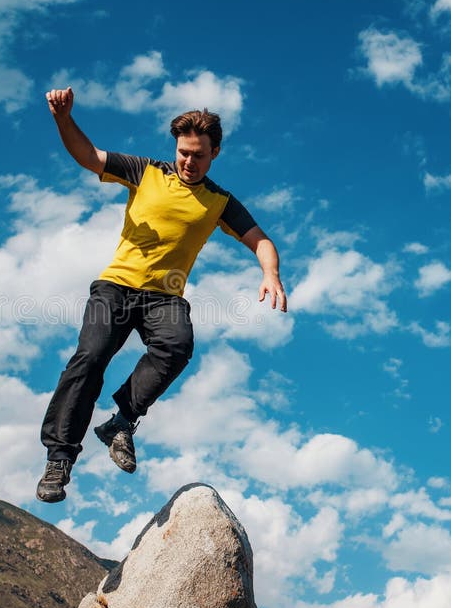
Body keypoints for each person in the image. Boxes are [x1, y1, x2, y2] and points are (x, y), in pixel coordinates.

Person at [36, 86, 287, 503]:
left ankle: (122, 422)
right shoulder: (144, 171)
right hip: (116, 287)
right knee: (90, 358)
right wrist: (63, 119)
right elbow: (89, 156)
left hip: (164, 297)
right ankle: (59, 459)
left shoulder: (219, 201)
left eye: (199, 155)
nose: (189, 161)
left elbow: (260, 239)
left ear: (215, 153)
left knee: (177, 345)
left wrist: (271, 274)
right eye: (184, 152)